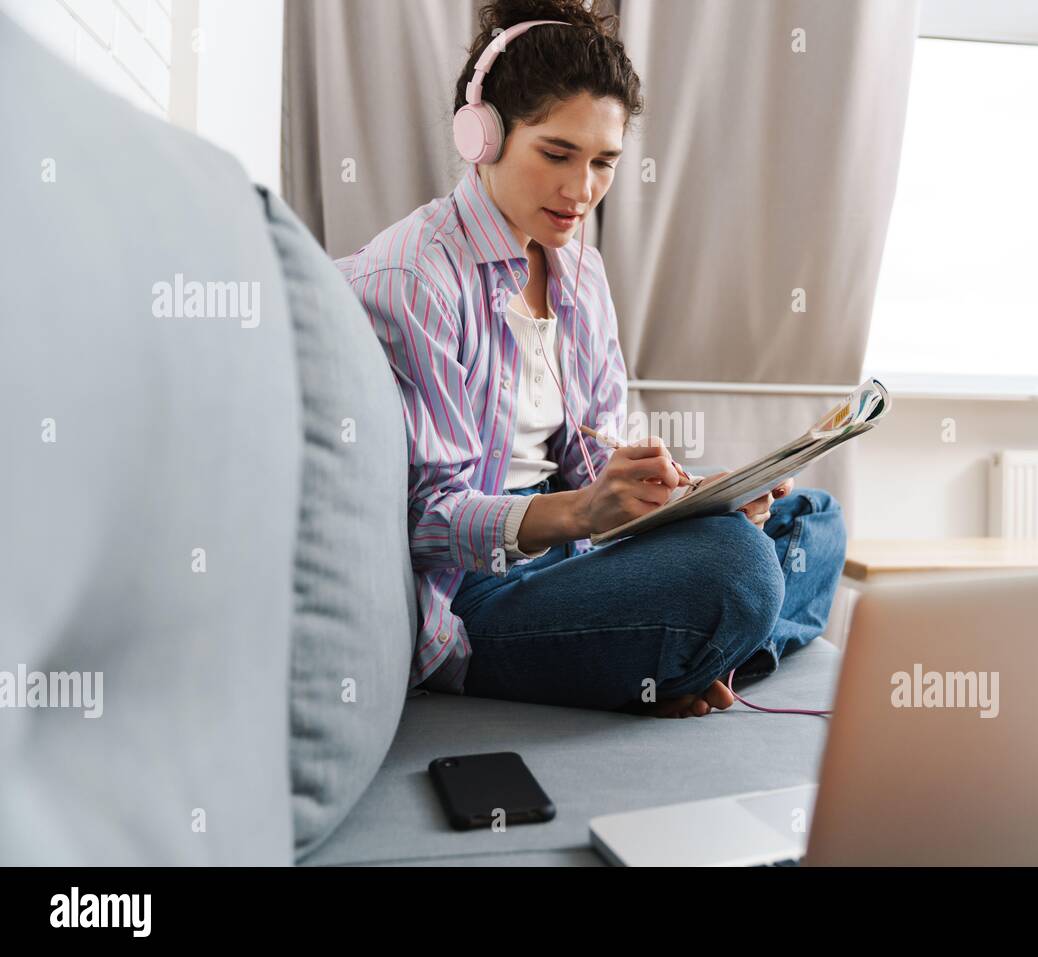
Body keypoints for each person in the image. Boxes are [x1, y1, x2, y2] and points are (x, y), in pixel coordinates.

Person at [336, 0, 846, 718]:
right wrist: (581, 512)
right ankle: (699, 652)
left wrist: (683, 496)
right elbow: (427, 521)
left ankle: (698, 660)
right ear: (481, 135)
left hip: (575, 551)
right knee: (739, 571)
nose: (582, 190)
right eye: (556, 154)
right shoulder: (416, 276)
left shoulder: (582, 271)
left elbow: (597, 459)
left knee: (813, 520)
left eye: (604, 161)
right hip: (478, 589)